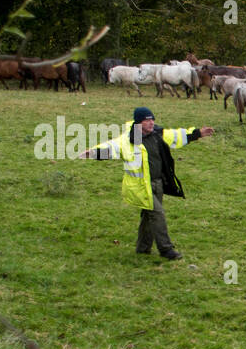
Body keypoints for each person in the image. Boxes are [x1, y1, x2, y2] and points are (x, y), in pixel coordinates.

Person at [82, 106, 213, 259]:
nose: (151, 123)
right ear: (138, 123)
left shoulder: (157, 134)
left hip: (158, 184)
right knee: (157, 214)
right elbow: (113, 148)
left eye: (152, 119)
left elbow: (176, 136)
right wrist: (93, 153)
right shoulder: (131, 139)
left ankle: (143, 248)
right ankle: (166, 250)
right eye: (147, 120)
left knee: (148, 216)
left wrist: (198, 133)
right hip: (141, 187)